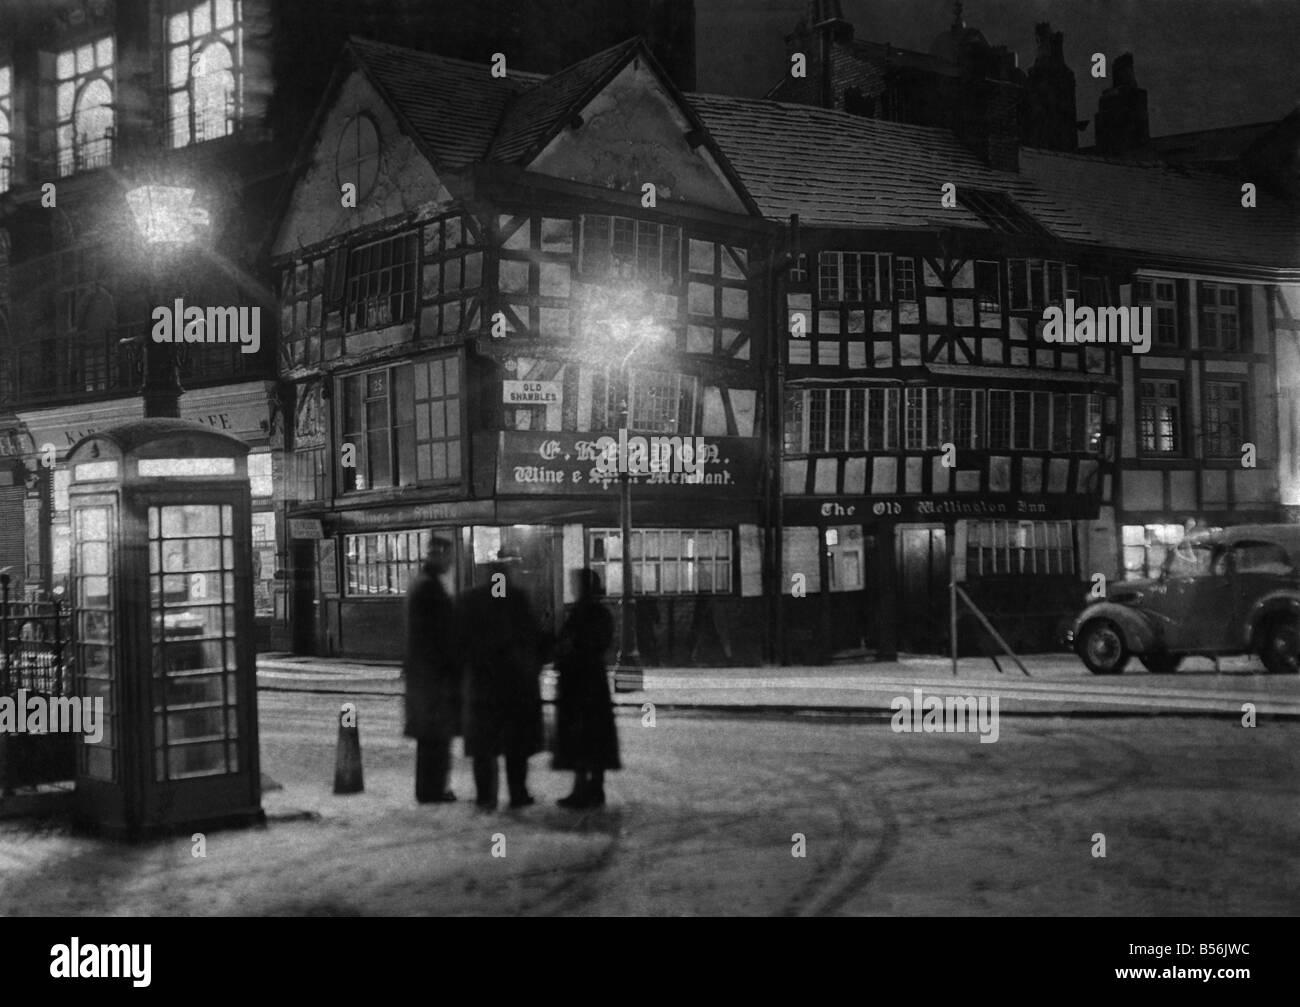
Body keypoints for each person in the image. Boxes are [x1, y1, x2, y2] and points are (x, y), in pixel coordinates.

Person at [459, 549, 545, 810]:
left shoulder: (471, 600)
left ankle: (486, 797)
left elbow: (459, 642)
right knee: (515, 747)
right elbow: (532, 639)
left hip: (482, 688)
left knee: (484, 748)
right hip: (513, 687)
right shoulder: (517, 600)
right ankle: (518, 794)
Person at [552, 568, 621, 808]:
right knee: (595, 736)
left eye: (575, 584)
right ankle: (595, 787)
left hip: (579, 682)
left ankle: (582, 789)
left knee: (580, 736)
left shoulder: (581, 612)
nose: (572, 588)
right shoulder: (600, 612)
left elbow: (569, 642)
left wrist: (564, 654)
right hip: (594, 681)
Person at [402, 535, 461, 803]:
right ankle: (432, 790)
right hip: (432, 677)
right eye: (447, 556)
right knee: (436, 736)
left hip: (424, 675)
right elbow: (441, 634)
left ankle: (429, 788)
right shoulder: (430, 588)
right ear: (438, 555)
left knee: (431, 737)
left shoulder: (423, 584)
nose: (450, 562)